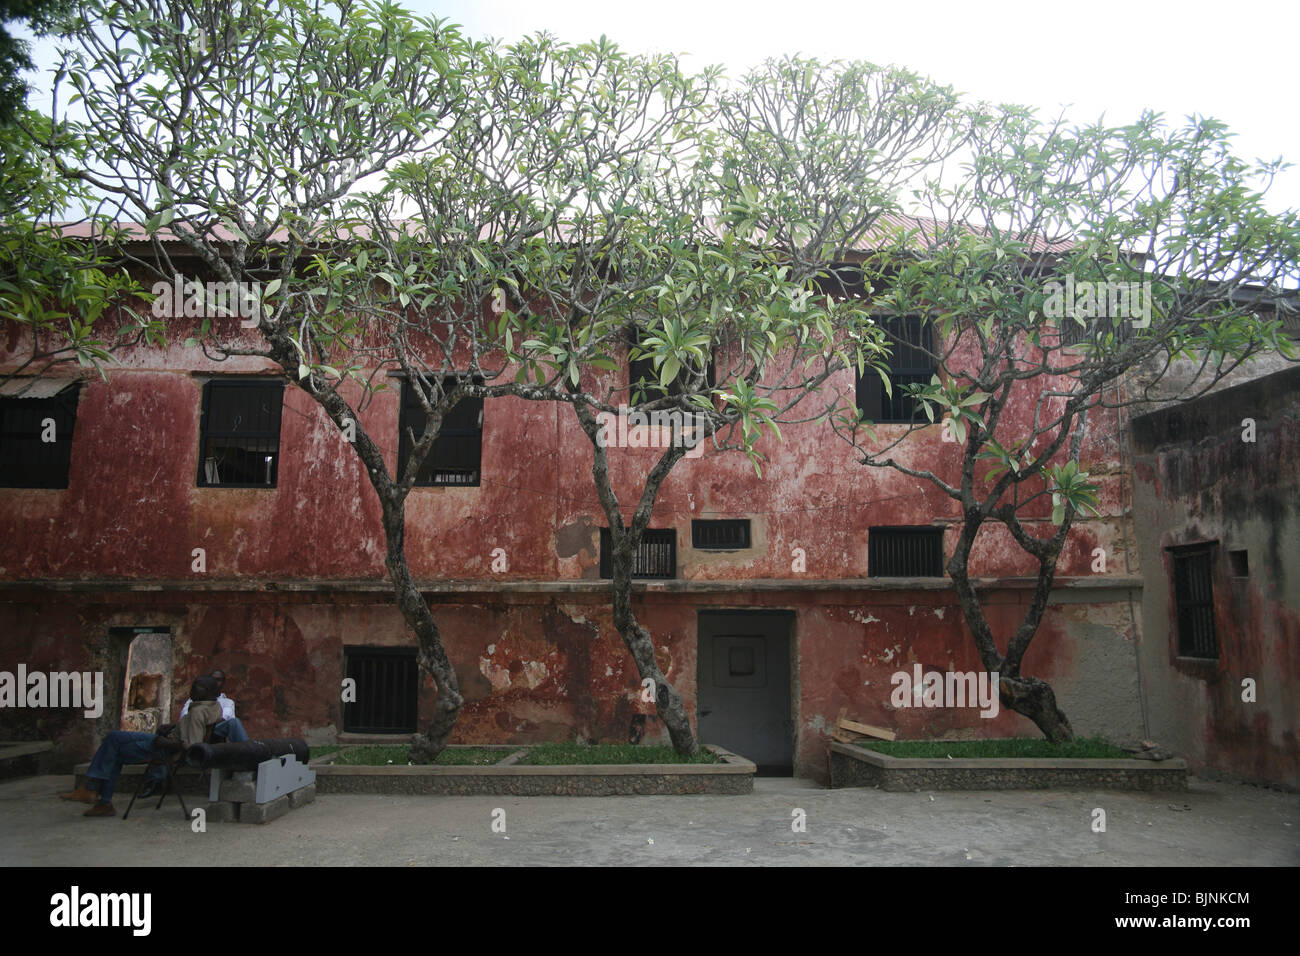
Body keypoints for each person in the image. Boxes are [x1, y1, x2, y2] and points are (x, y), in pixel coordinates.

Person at [59, 676, 224, 817]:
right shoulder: (213, 706)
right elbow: (192, 732)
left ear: (206, 691)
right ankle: (98, 796)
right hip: (166, 740)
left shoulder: (197, 713)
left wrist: (167, 741)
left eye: (197, 688)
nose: (192, 691)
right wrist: (175, 727)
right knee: (113, 743)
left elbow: (193, 747)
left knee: (113, 742)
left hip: (164, 748)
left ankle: (95, 791)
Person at [179, 669, 249, 743]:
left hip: (214, 732)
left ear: (223, 682)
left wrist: (204, 720)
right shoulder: (194, 699)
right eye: (212, 679)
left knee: (234, 722)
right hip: (194, 729)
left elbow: (225, 718)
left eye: (218, 680)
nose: (215, 682)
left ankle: (249, 749)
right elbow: (184, 716)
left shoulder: (227, 702)